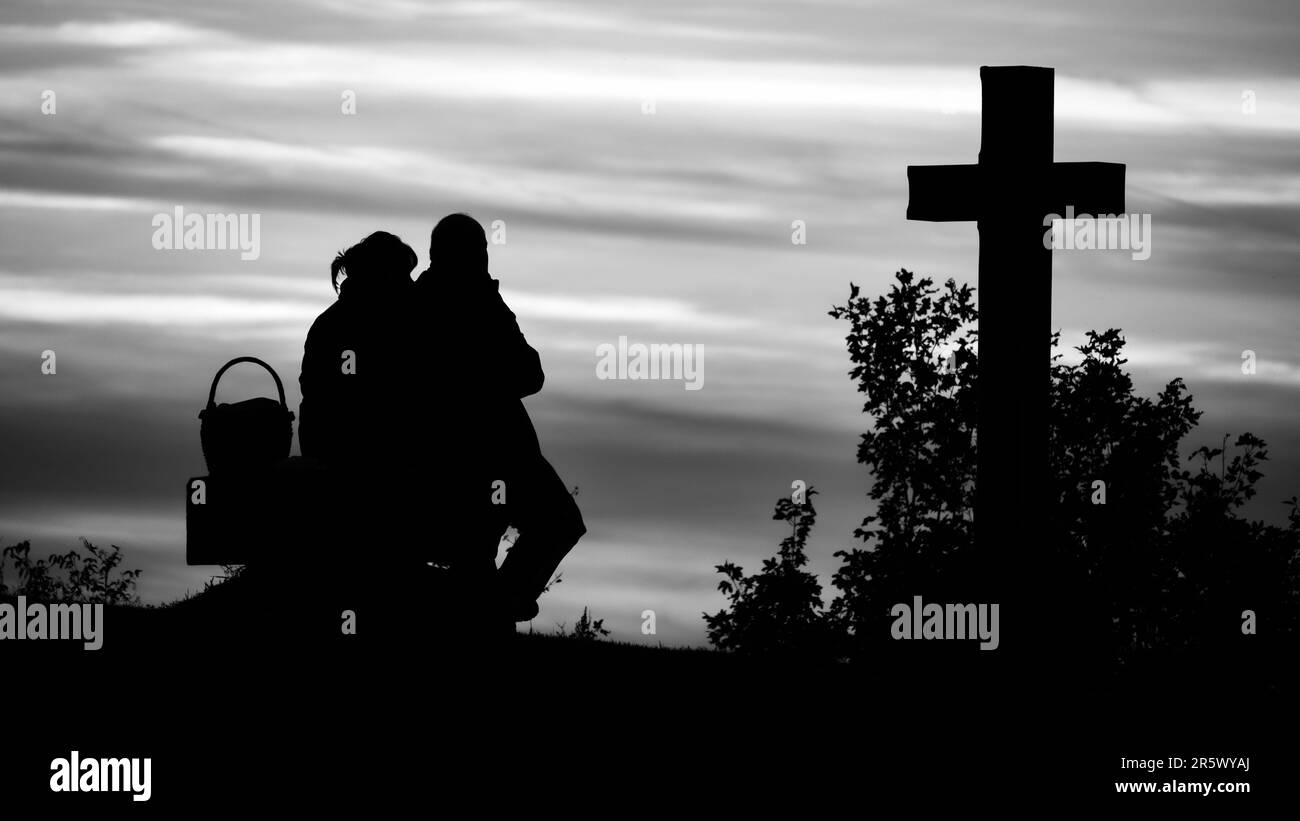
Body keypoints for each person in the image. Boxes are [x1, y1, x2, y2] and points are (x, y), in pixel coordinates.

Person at [416, 213, 586, 623]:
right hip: (485, 457)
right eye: (478, 252)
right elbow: (526, 372)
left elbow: (530, 372)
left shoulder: (464, 299)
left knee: (499, 547)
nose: (483, 260)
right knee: (552, 525)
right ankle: (494, 610)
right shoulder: (460, 302)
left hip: (496, 454)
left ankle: (492, 608)